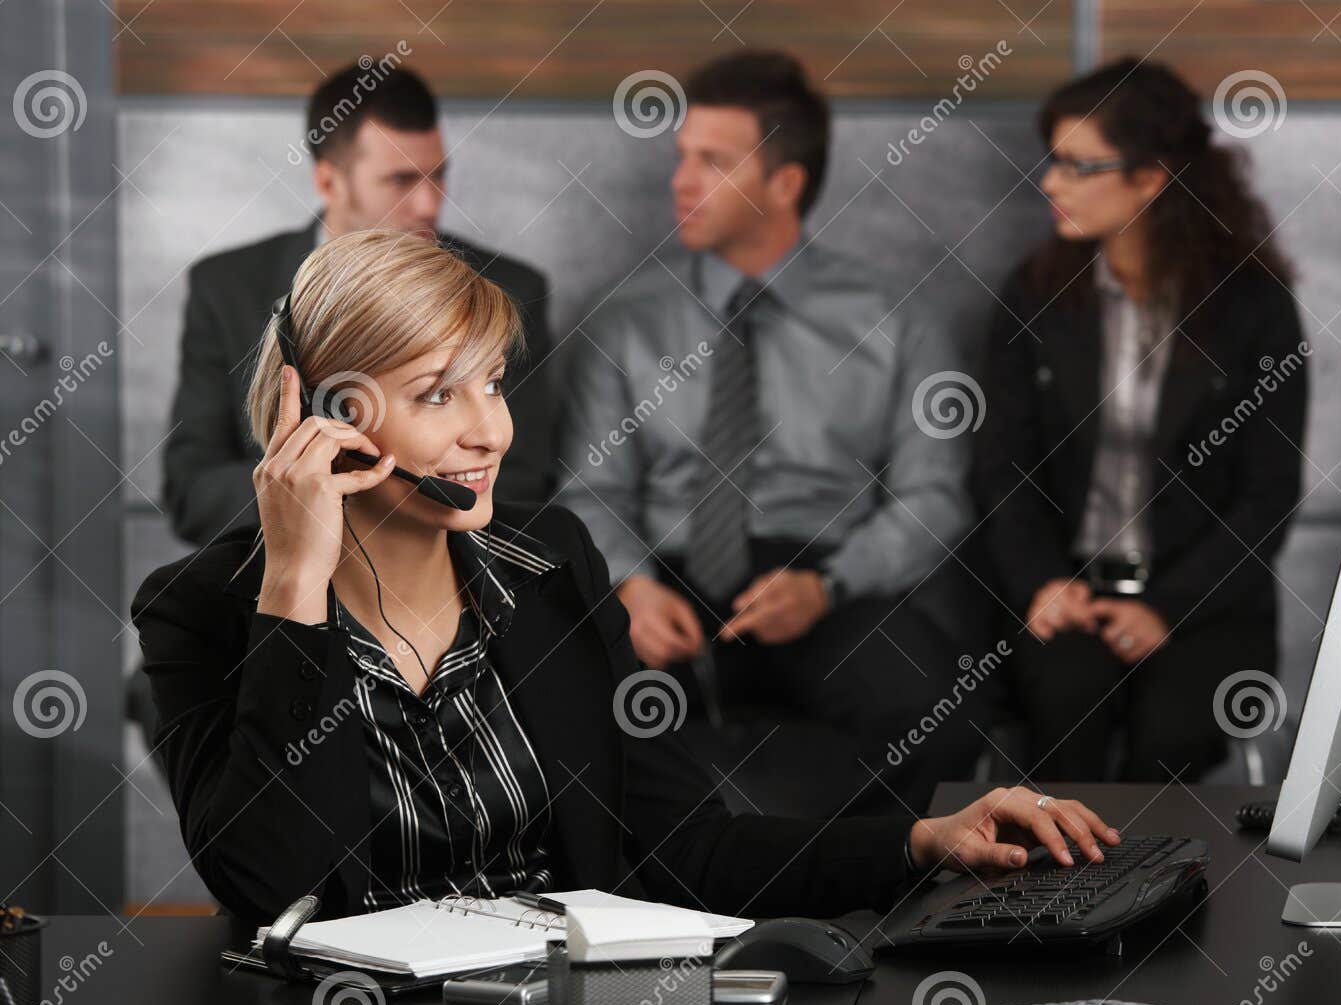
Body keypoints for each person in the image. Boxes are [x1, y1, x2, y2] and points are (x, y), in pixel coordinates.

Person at [131, 230, 1117, 926]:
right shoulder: (206, 612)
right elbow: (267, 882)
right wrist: (297, 583)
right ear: (325, 411)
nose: (490, 430)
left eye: (494, 381)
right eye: (439, 393)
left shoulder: (547, 567)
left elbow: (683, 844)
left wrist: (920, 841)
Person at [559, 51, 982, 817]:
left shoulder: (893, 318)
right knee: (579, 711)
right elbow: (591, 491)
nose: (681, 181)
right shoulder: (624, 321)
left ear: (784, 183)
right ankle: (670, 918)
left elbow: (934, 497)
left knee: (936, 709)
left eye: (712, 162)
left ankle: (860, 895)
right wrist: (631, 588)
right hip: (665, 578)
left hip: (824, 578)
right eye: (682, 156)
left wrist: (830, 585)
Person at [973, 59, 1309, 783]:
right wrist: (1042, 581)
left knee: (1172, 737)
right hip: (1069, 590)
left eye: (1077, 165)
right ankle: (1058, 898)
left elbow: (1269, 495)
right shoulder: (1034, 295)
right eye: (1051, 161)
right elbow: (1004, 465)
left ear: (1152, 178)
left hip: (1206, 600)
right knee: (1064, 717)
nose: (1050, 184)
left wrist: (1168, 606)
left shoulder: (1254, 308)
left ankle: (1159, 898)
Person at [162, 62, 555, 547]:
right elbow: (192, 493)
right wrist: (325, 496)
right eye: (401, 180)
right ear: (329, 183)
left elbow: (526, 481)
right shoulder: (226, 286)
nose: (429, 204)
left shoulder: (509, 288)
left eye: (437, 175)